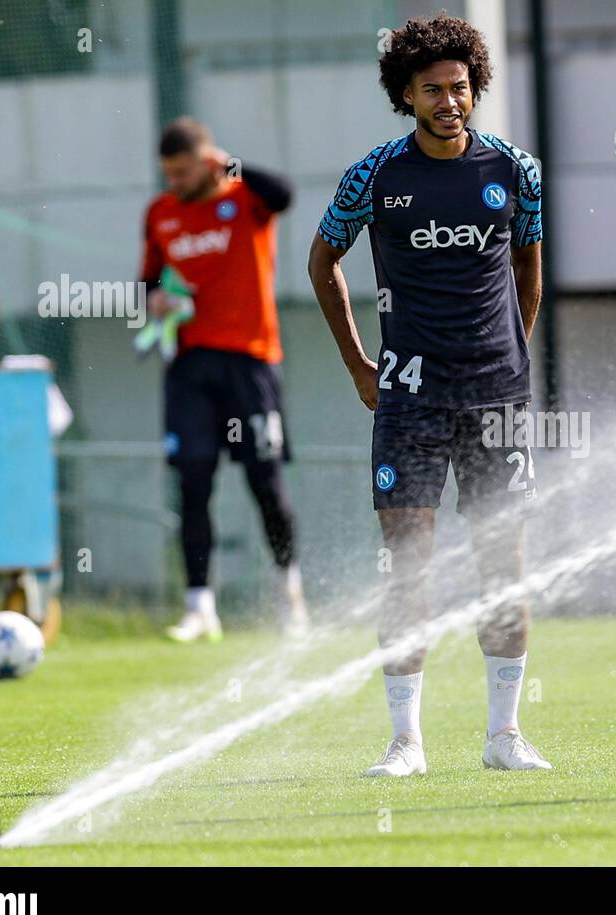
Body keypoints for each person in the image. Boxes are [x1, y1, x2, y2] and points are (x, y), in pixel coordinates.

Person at [309, 14, 548, 777]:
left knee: (501, 564)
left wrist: (509, 356)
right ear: (406, 95)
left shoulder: (516, 169)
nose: (449, 101)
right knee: (407, 563)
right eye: (432, 90)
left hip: (495, 398)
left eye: (460, 86)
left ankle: (504, 735)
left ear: (475, 88)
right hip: (409, 401)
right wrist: (357, 363)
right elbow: (322, 262)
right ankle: (406, 741)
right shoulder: (375, 175)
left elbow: (529, 270)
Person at [140, 117, 307, 641]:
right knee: (192, 478)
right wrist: (154, 300)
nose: (174, 183)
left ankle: (289, 595)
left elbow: (285, 194)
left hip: (250, 362)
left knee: (266, 484)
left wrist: (231, 164)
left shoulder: (246, 198)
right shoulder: (161, 213)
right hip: (189, 365)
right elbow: (145, 280)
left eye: (183, 171)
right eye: (167, 173)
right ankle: (199, 606)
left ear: (208, 161)